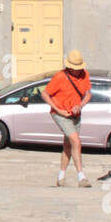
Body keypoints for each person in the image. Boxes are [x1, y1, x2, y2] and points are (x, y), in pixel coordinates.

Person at [41, 49, 93, 187]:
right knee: (76, 141)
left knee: (68, 145)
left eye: (78, 68)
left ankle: (61, 177)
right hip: (60, 114)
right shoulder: (60, 77)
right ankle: (81, 177)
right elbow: (45, 94)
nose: (77, 71)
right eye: (74, 68)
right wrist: (58, 110)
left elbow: (88, 94)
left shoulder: (85, 74)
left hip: (75, 114)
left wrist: (80, 106)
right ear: (69, 66)